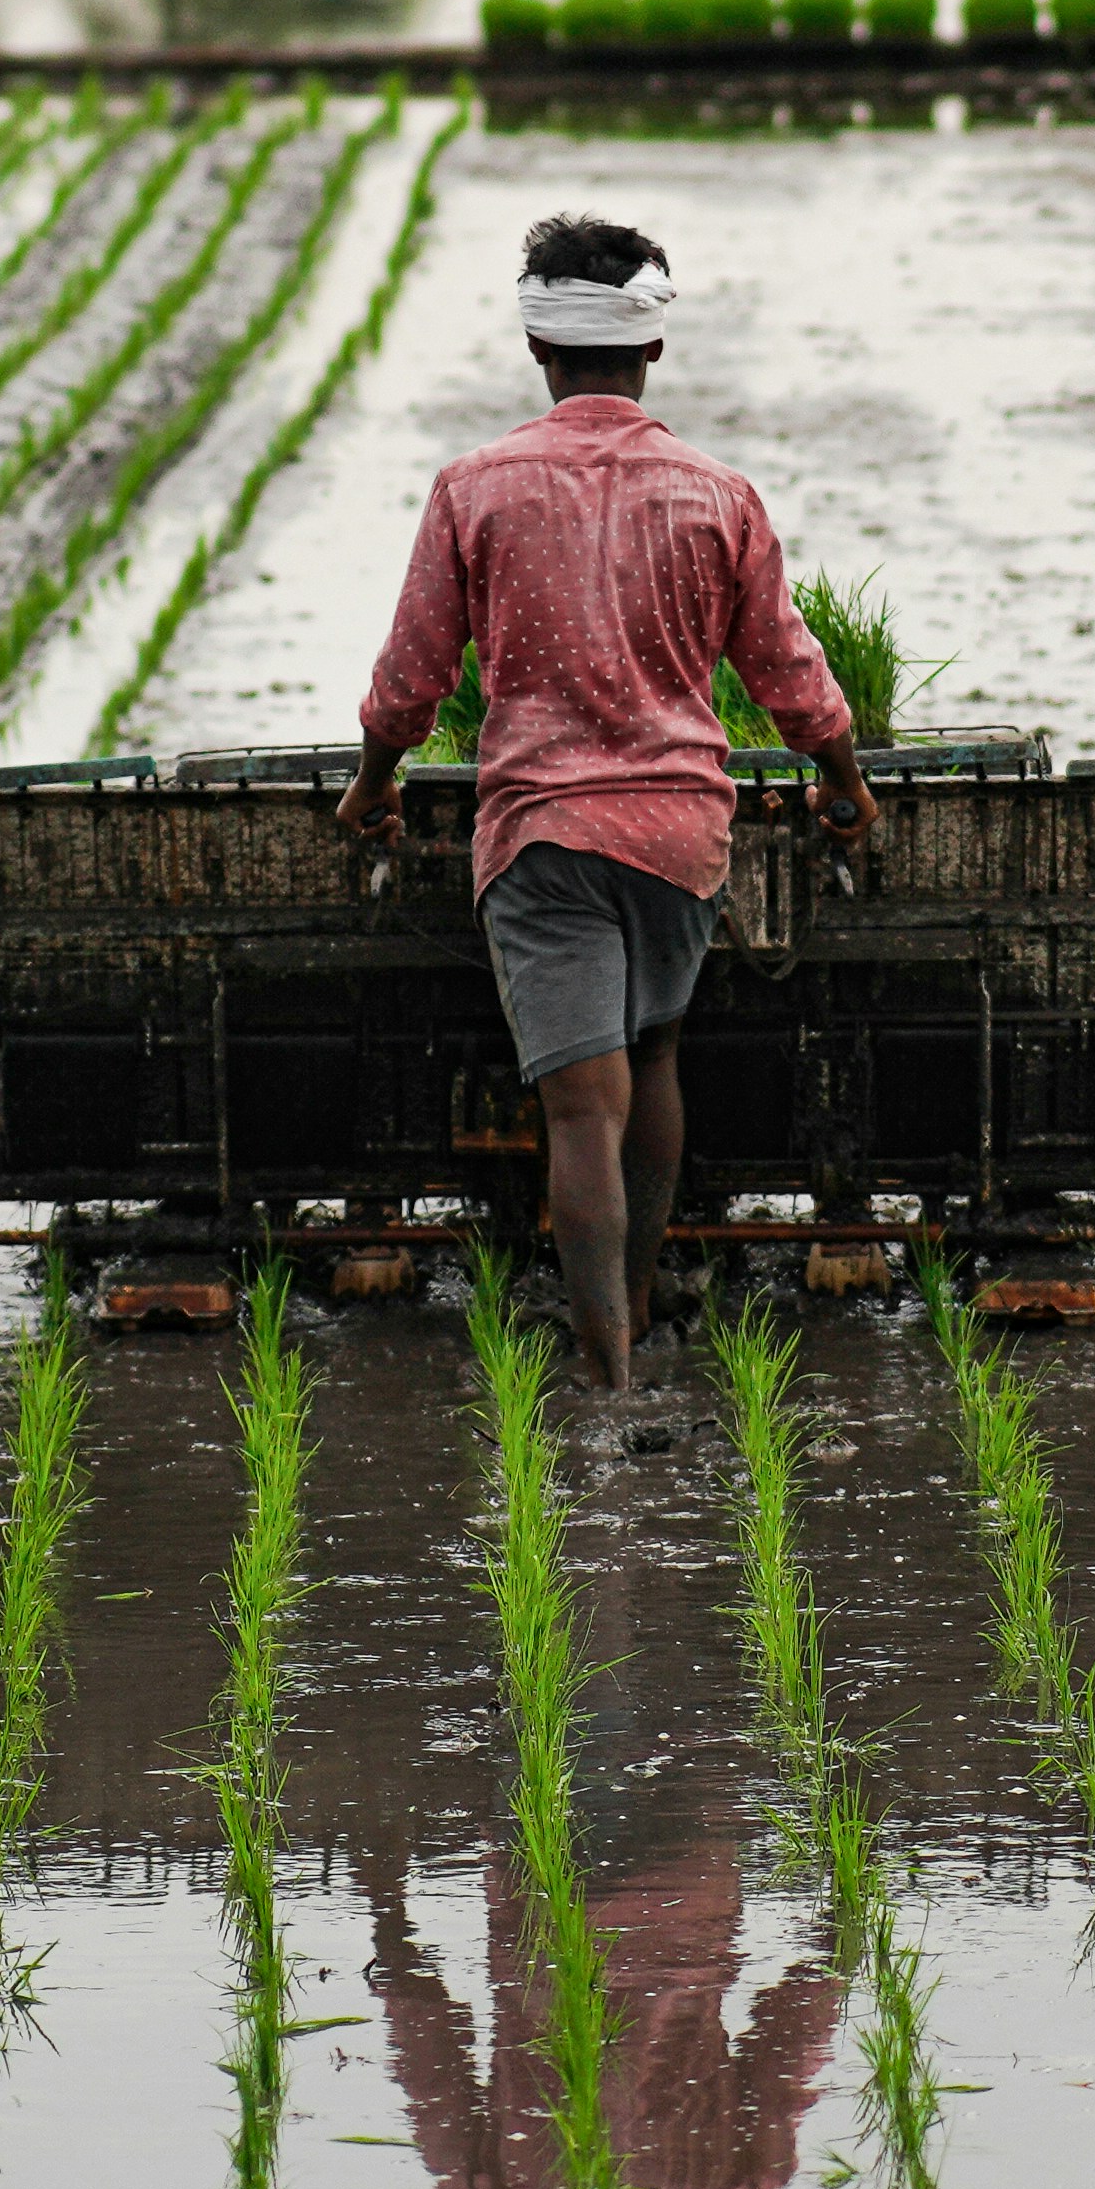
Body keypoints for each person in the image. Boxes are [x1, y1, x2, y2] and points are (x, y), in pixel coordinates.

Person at [342, 215, 873, 1382]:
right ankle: (631, 1300)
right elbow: (790, 671)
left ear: (536, 345)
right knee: (657, 1053)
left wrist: (371, 786)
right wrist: (842, 782)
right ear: (652, 353)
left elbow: (411, 676)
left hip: (541, 831)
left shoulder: (473, 488)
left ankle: (606, 1367)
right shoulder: (716, 492)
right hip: (681, 832)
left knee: (582, 1105)